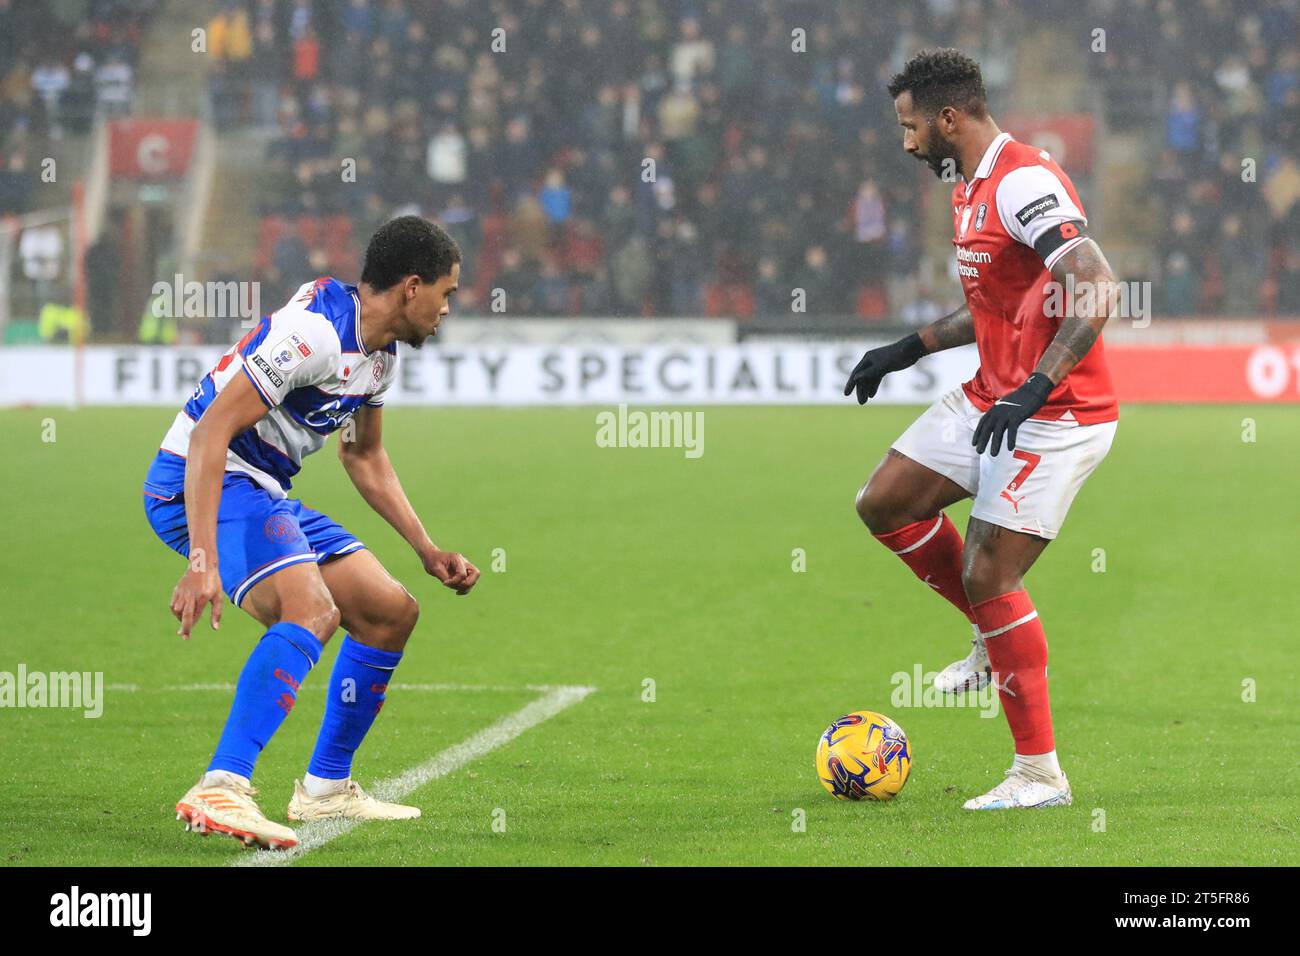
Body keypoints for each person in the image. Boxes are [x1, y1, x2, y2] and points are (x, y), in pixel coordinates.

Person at [142, 216, 479, 849]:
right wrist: (202, 557)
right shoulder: (315, 335)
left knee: (388, 611)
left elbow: (364, 457)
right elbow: (212, 432)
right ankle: (223, 784)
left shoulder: (378, 361)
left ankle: (325, 789)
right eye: (447, 293)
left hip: (262, 490)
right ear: (412, 287)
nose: (446, 309)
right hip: (196, 482)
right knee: (311, 610)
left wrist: (426, 549)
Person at [844, 49, 1120, 810]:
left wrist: (1035, 387)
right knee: (885, 502)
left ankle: (1039, 775)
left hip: (1057, 413)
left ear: (948, 118)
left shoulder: (1025, 179)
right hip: (990, 394)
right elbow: (999, 303)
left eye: (910, 127)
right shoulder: (968, 187)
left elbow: (1096, 288)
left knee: (990, 574)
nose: (905, 144)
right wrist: (909, 348)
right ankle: (987, 636)